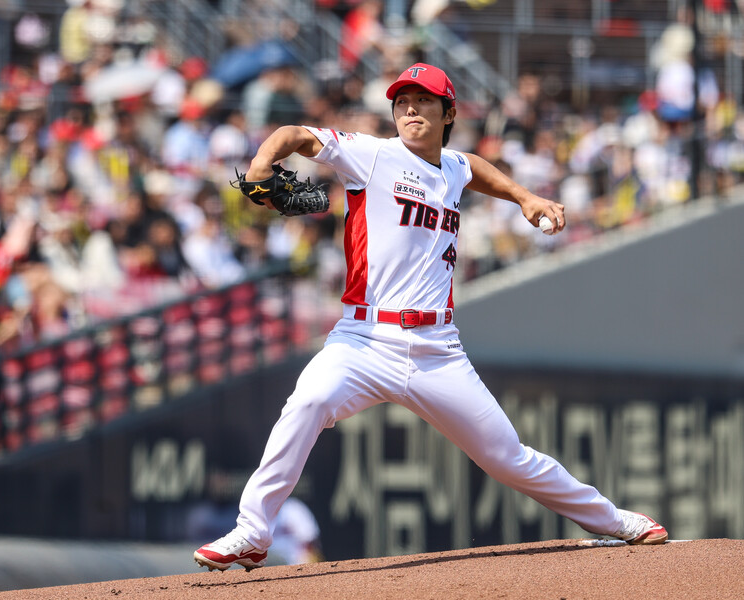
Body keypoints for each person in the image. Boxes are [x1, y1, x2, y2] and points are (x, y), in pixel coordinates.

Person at [193, 63, 668, 572]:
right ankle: (252, 531)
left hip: (438, 348)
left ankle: (610, 519)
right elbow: (294, 135)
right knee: (307, 401)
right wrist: (265, 161)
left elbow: (472, 166)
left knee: (507, 457)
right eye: (402, 102)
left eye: (424, 101)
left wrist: (525, 197)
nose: (411, 110)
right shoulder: (373, 155)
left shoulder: (453, 168)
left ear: (449, 113)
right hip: (365, 338)